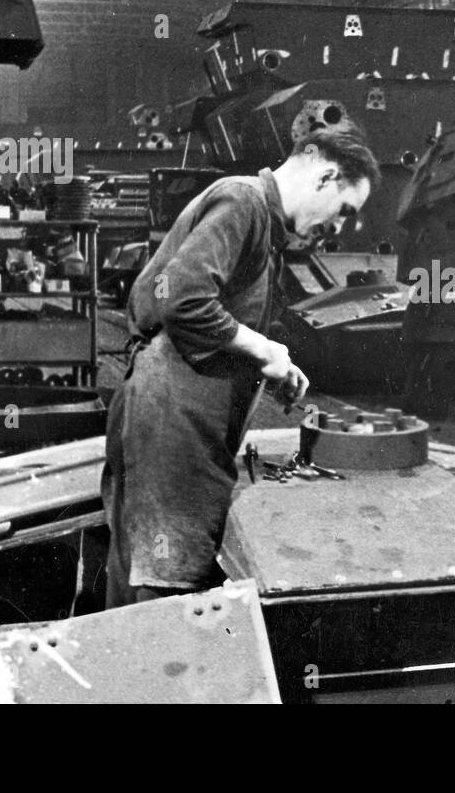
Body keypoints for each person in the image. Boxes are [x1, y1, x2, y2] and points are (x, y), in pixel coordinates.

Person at [101, 129, 379, 608]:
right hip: (173, 416)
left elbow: (222, 320)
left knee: (149, 565)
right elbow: (183, 298)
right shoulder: (242, 202)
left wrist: (269, 363)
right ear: (327, 176)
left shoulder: (262, 226)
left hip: (183, 414)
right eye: (345, 211)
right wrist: (264, 350)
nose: (340, 228)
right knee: (166, 577)